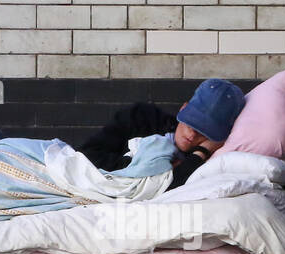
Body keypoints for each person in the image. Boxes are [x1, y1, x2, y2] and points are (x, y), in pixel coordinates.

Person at [77, 78, 245, 190]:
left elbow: (172, 188)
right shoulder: (141, 118)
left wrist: (201, 153)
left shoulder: (211, 160)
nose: (193, 135)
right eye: (191, 124)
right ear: (183, 109)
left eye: (204, 132)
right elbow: (86, 155)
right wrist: (143, 166)